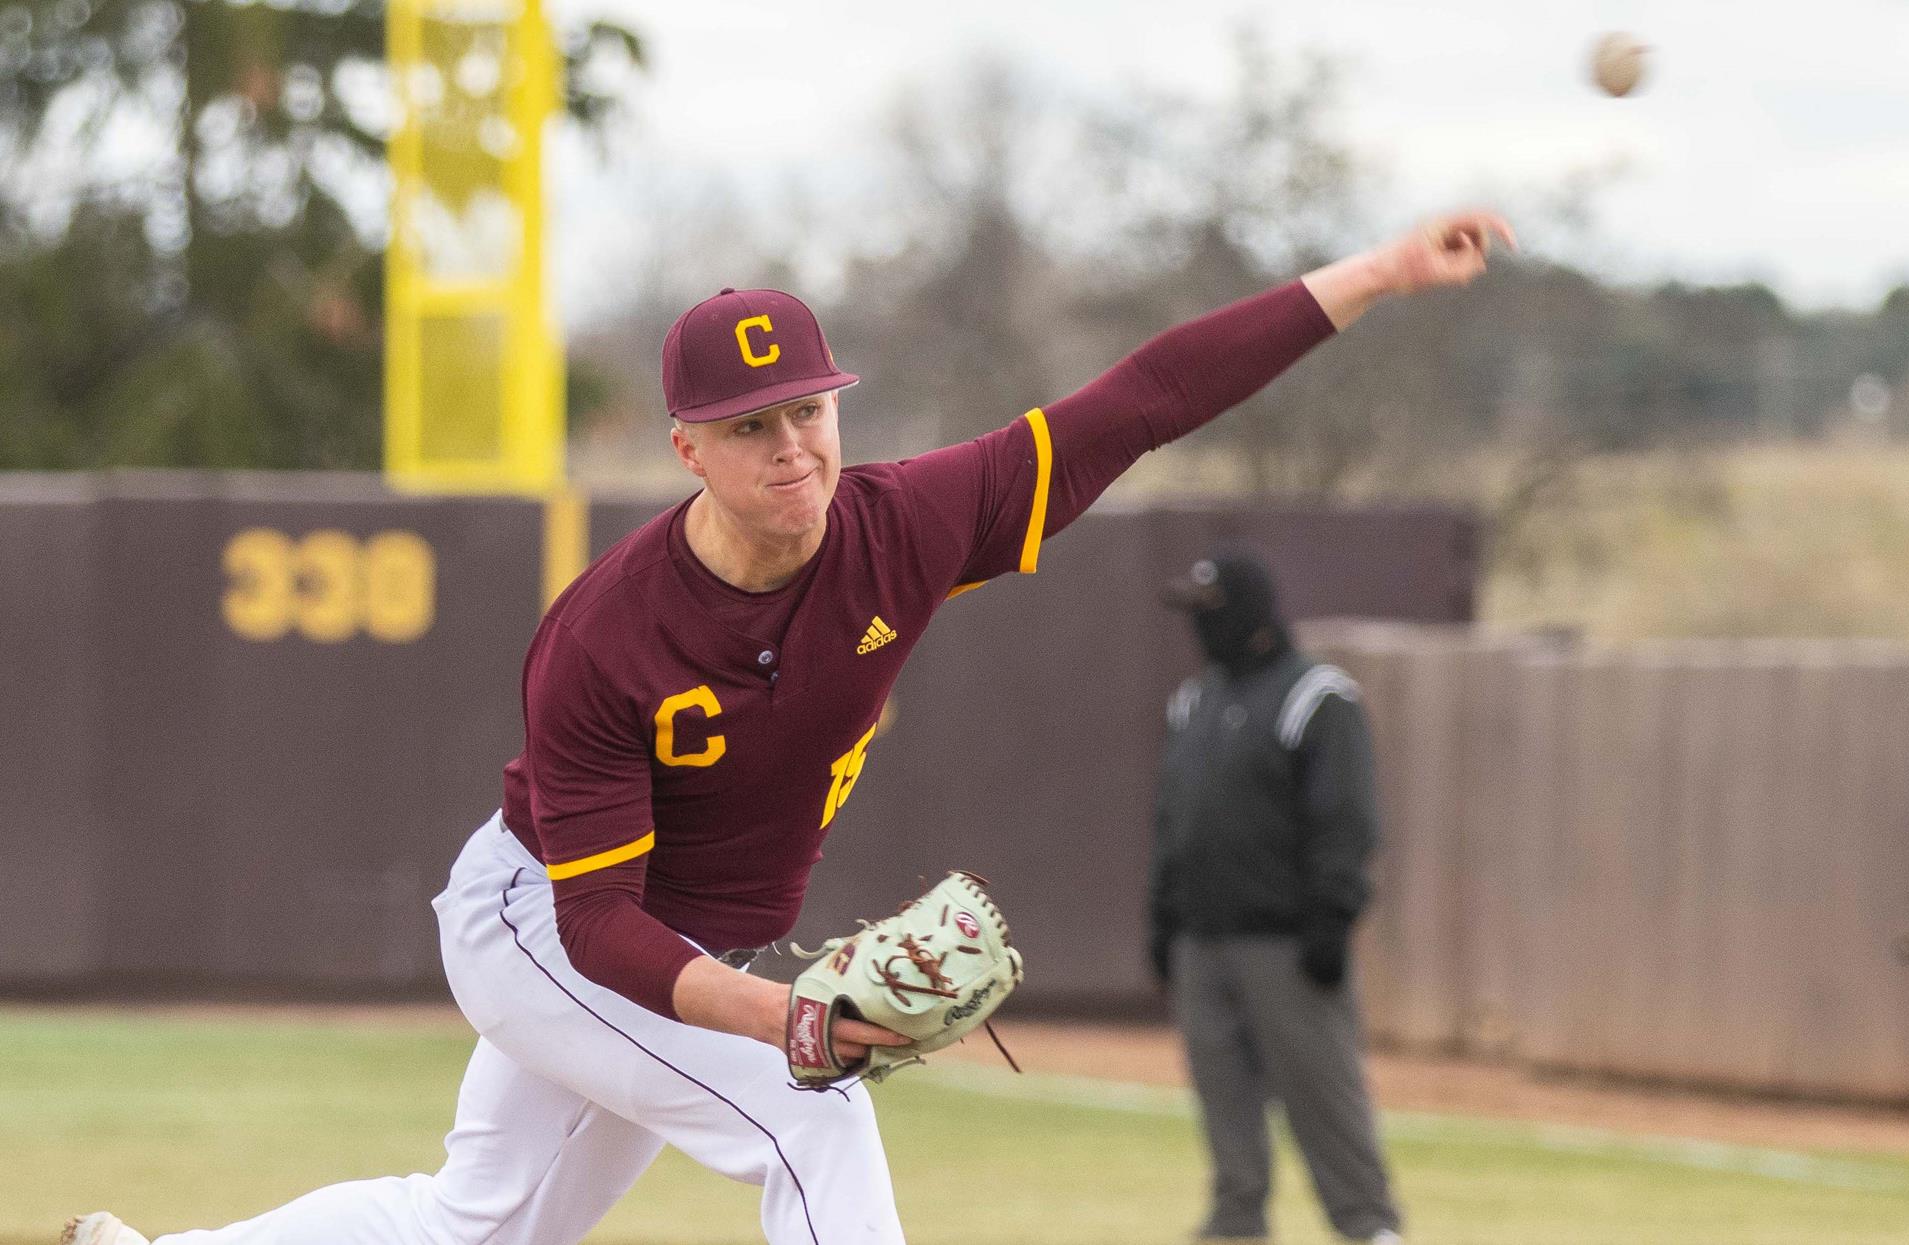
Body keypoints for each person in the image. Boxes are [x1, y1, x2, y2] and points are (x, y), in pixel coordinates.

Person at [62, 210, 1511, 1245]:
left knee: (477, 1224)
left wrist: (1375, 273)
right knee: (808, 1113)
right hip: (543, 923)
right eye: (751, 424)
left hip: (683, 949)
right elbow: (605, 934)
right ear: (685, 447)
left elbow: (1139, 402)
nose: (795, 443)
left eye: (809, 407)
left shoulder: (906, 525)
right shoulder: (608, 635)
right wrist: (791, 1019)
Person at [1152, 551, 1401, 1245]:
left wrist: (1331, 919)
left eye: (1210, 612)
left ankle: (1368, 1224)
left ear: (1249, 614)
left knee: (1324, 1096)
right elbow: (1174, 819)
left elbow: (1346, 822)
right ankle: (1236, 1223)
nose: (1201, 629)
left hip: (1286, 943)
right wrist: (1162, 918)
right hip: (1203, 939)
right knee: (1223, 1102)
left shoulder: (1317, 697)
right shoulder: (1194, 700)